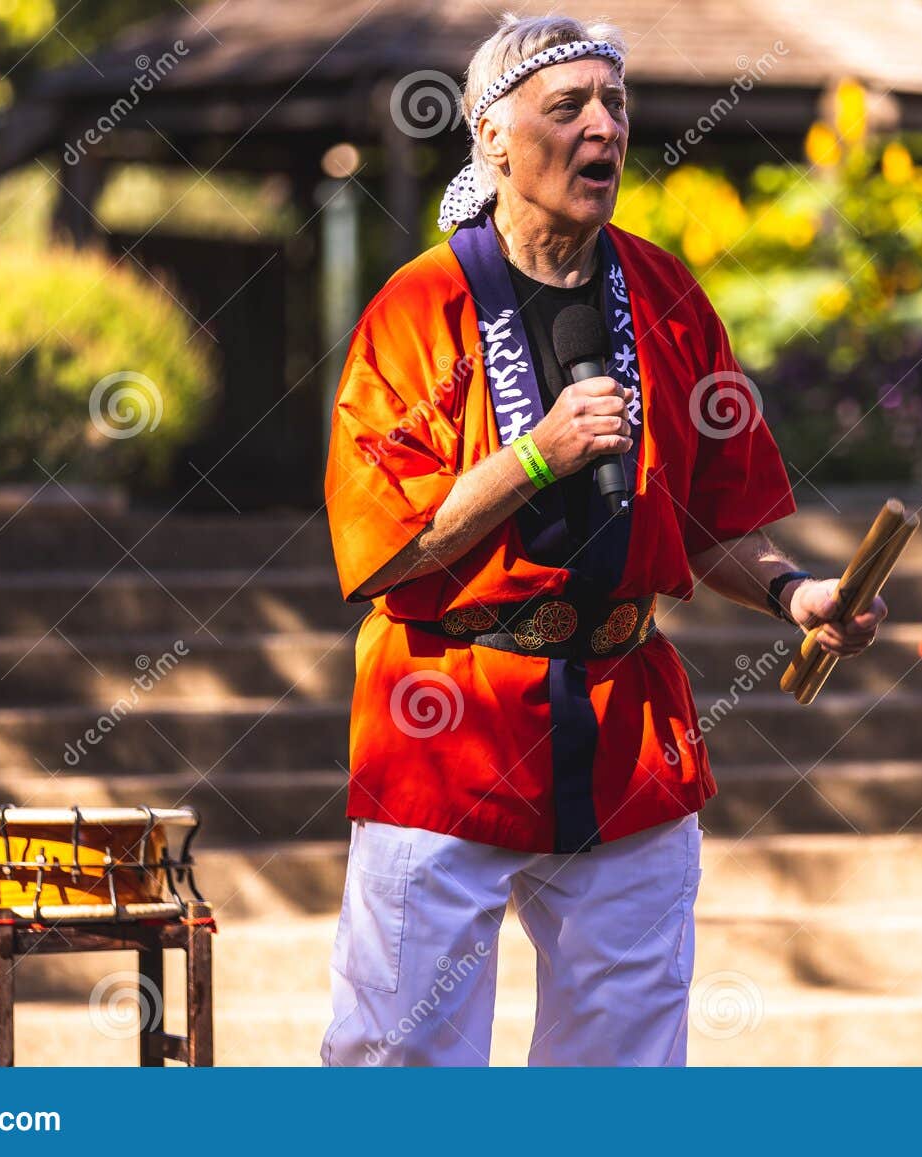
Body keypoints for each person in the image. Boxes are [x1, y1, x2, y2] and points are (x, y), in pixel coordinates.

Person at [320, 13, 885, 1067]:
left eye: (614, 105)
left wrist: (795, 594)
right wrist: (535, 456)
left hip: (625, 719)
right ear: (491, 136)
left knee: (624, 1068)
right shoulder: (420, 306)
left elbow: (716, 521)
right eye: (567, 105)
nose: (602, 128)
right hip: (450, 712)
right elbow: (383, 550)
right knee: (399, 1061)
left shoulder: (666, 296)